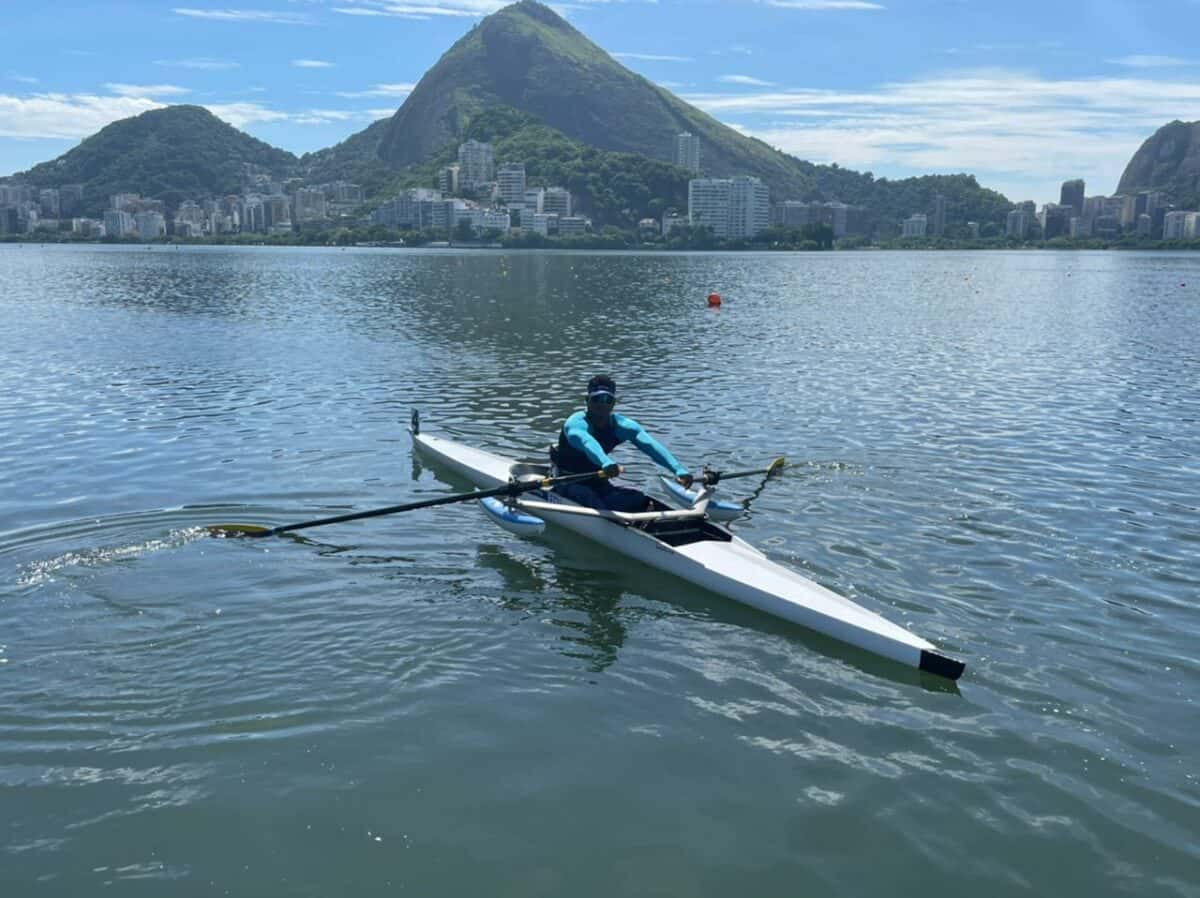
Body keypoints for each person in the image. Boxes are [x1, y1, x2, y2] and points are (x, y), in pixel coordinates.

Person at [550, 374, 693, 513]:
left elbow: (651, 447)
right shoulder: (576, 424)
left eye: (608, 400)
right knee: (592, 500)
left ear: (614, 403)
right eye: (597, 399)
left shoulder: (622, 426)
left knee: (639, 499)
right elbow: (587, 442)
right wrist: (606, 462)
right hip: (566, 481)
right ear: (587, 400)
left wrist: (678, 470)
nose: (602, 404)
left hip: (598, 482)